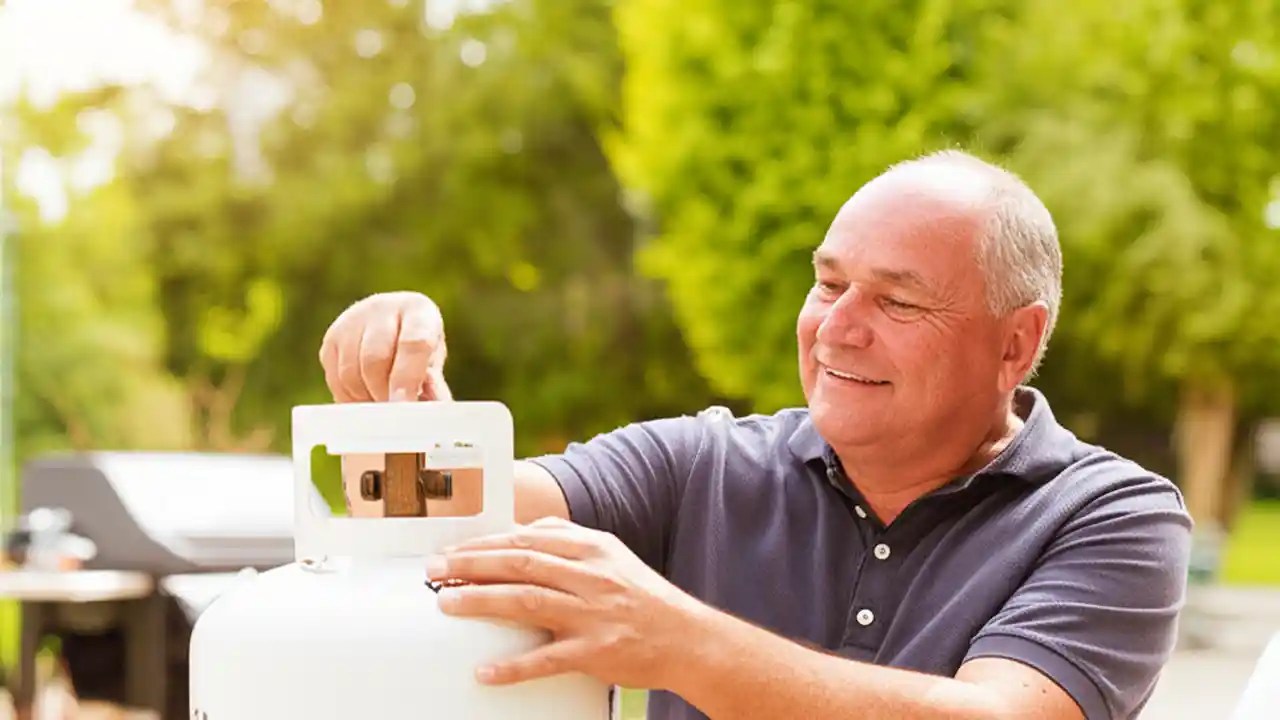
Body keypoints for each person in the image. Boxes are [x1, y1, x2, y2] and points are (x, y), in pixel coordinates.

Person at [318, 149, 1192, 720]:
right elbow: (438, 508)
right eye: (828, 283)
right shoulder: (701, 462)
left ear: (1017, 343)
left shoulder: (1114, 516)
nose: (838, 328)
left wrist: (678, 641)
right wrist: (404, 402)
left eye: (895, 300)